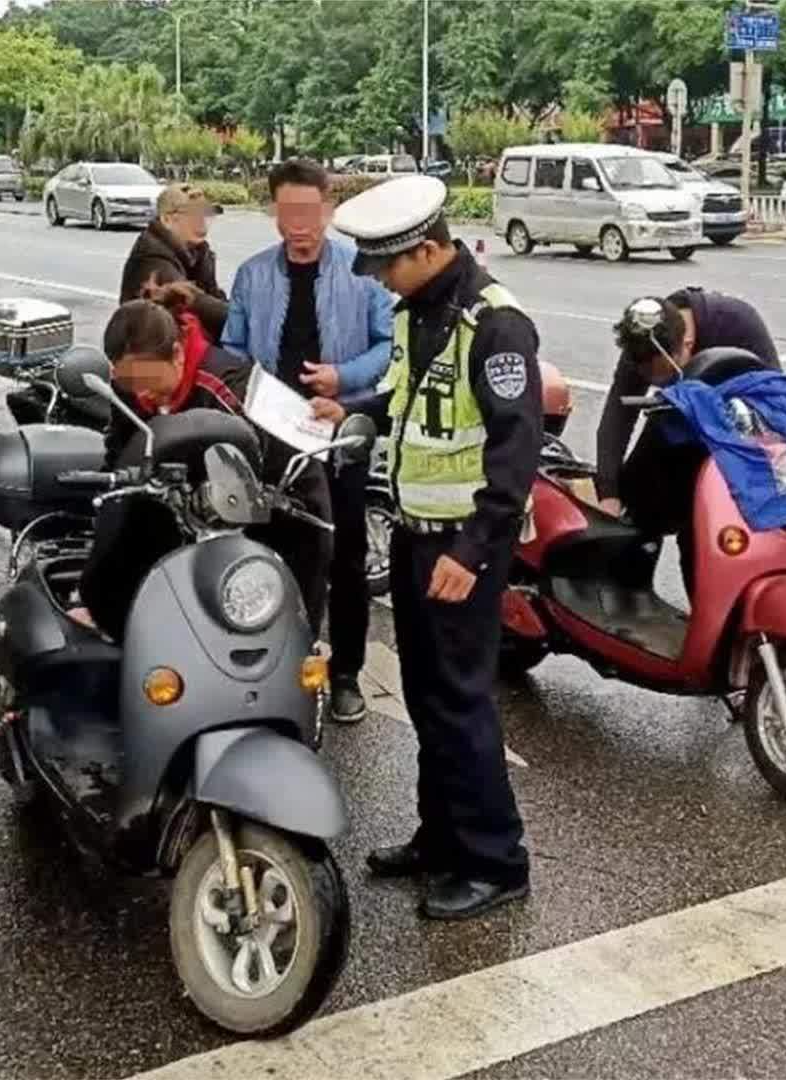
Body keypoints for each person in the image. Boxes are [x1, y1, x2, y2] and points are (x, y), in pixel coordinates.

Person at [314, 175, 538, 921]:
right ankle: (441, 836)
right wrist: (345, 407)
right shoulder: (419, 315)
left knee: (461, 700)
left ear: (432, 249)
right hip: (415, 536)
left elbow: (514, 454)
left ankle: (494, 859)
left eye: (387, 266)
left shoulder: (495, 325)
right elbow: (409, 401)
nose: (378, 281)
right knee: (424, 698)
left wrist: (471, 552)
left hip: (460, 550)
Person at [218, 158, 395, 725]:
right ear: (275, 212)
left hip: (339, 432)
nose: (300, 224)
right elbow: (233, 349)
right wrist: (252, 392)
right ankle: (271, 667)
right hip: (271, 439)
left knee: (344, 558)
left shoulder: (362, 273)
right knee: (266, 553)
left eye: (310, 211)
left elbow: (390, 347)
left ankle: (344, 674)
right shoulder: (252, 275)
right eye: (289, 211)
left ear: (328, 209)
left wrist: (342, 380)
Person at [77, 300, 333, 640]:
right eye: (130, 384)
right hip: (187, 503)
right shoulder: (131, 389)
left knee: (274, 632)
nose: (143, 395)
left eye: (151, 383)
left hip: (280, 509)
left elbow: (259, 478)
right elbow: (120, 456)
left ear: (178, 354)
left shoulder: (229, 392)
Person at [597, 289, 780, 523]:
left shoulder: (738, 324)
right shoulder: (644, 341)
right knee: (637, 491)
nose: (655, 382)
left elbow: (777, 398)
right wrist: (609, 492)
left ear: (687, 345)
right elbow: (617, 417)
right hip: (682, 425)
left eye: (664, 378)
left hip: (745, 438)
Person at [121, 183, 230, 341]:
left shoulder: (198, 251)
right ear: (166, 220)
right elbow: (194, 301)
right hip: (150, 349)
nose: (201, 222)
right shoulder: (152, 255)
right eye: (191, 214)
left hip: (184, 339)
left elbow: (214, 296)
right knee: (233, 362)